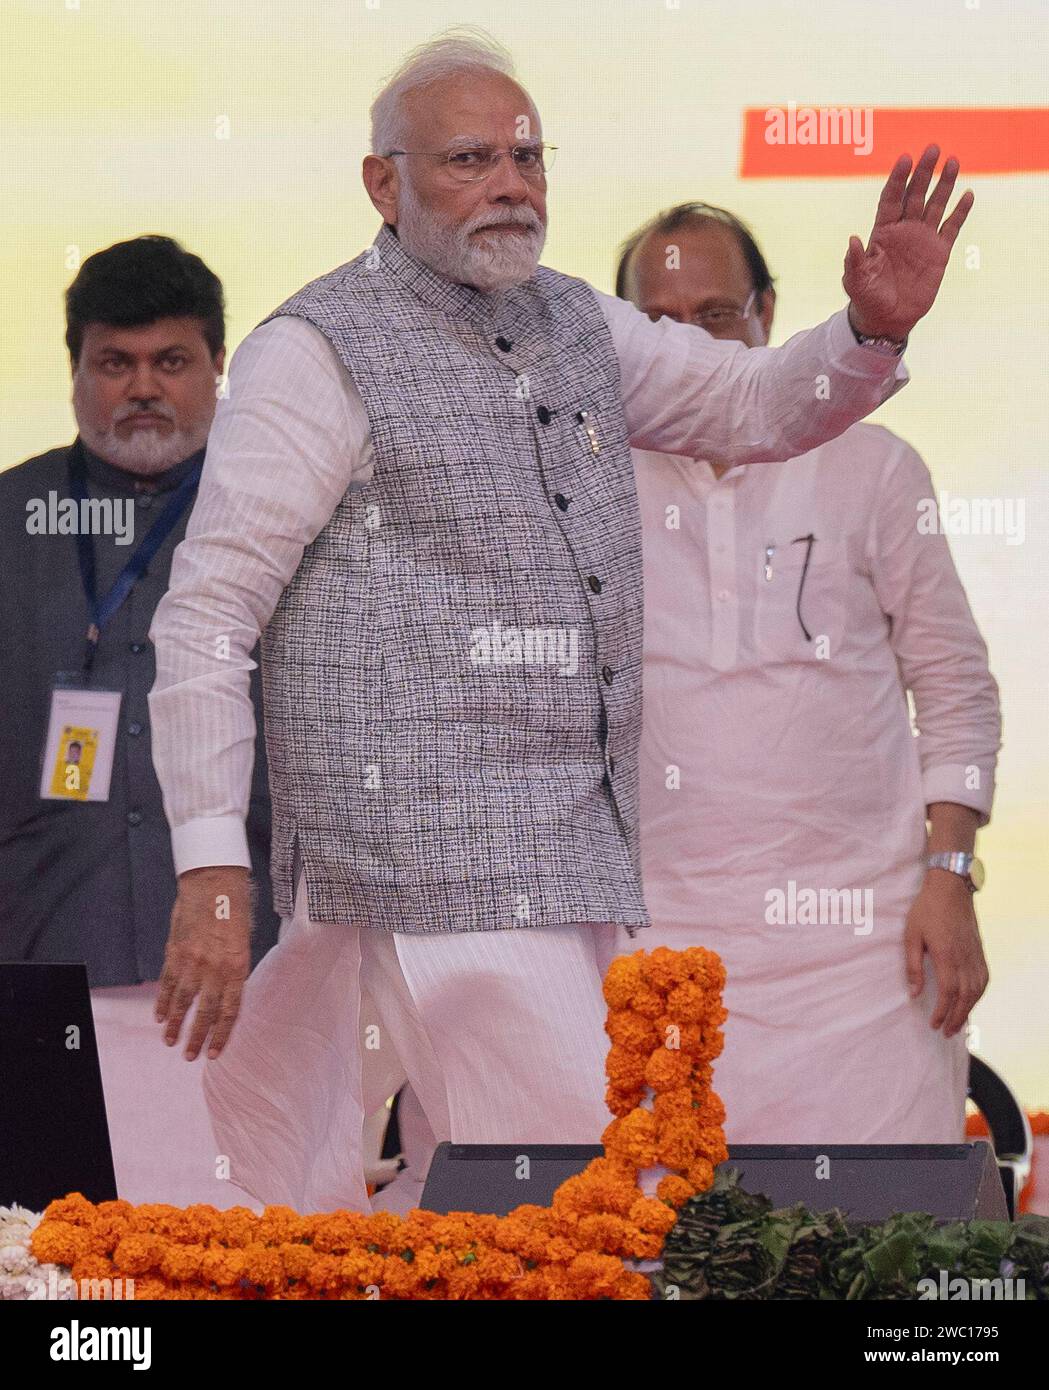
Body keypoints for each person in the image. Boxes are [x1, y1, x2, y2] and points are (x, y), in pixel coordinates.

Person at [147, 29, 974, 1214]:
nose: (510, 186)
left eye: (527, 157)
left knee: (490, 1209)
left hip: (576, 864)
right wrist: (211, 868)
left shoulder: (577, 322)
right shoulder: (311, 352)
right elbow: (209, 616)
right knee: (569, 1208)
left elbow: (743, 403)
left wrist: (866, 335)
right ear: (382, 184)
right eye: (469, 159)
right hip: (422, 872)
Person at [611, 201, 1001, 1141]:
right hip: (647, 958)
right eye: (656, 322)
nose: (689, 343)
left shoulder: (871, 468)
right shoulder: (581, 488)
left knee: (873, 1258)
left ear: (768, 314)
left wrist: (949, 874)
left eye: (714, 313)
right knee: (662, 1264)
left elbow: (953, 685)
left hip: (863, 962)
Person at [0, 235, 278, 1206]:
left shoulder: (278, 515)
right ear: (74, 371)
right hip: (41, 957)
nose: (142, 389)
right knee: (57, 1252)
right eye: (113, 363)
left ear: (218, 368)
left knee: (248, 1235)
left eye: (172, 361)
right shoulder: (10, 518)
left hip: (251, 962)